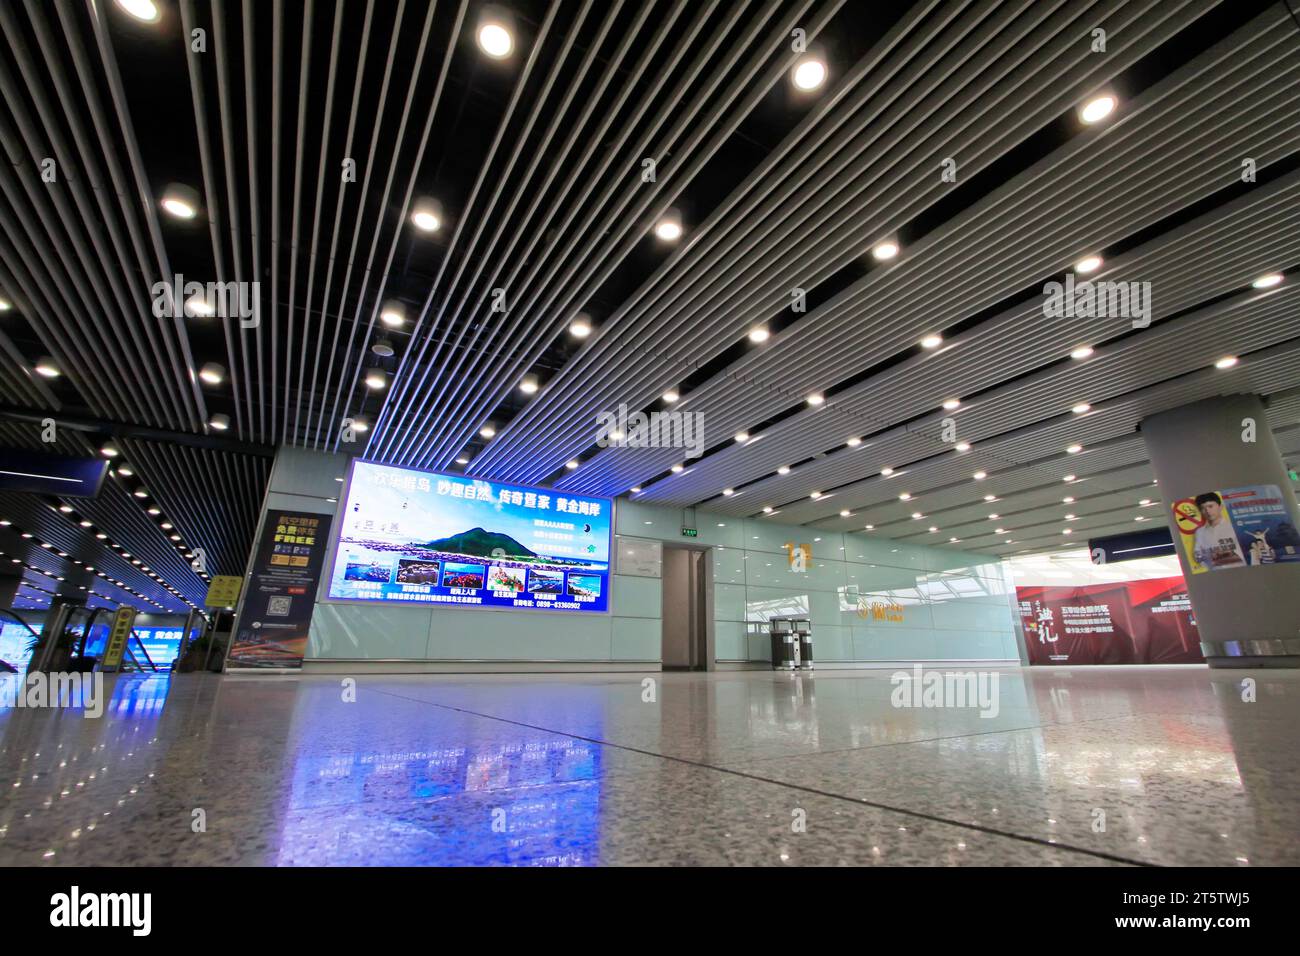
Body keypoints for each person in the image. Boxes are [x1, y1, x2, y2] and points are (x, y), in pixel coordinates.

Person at [1191, 492, 1247, 569]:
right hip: (1215, 575)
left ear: (1220, 507)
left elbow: (1244, 553)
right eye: (1203, 508)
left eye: (1210, 506)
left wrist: (1211, 555)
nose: (1207, 511)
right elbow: (1198, 557)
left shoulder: (1235, 527)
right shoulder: (1200, 532)